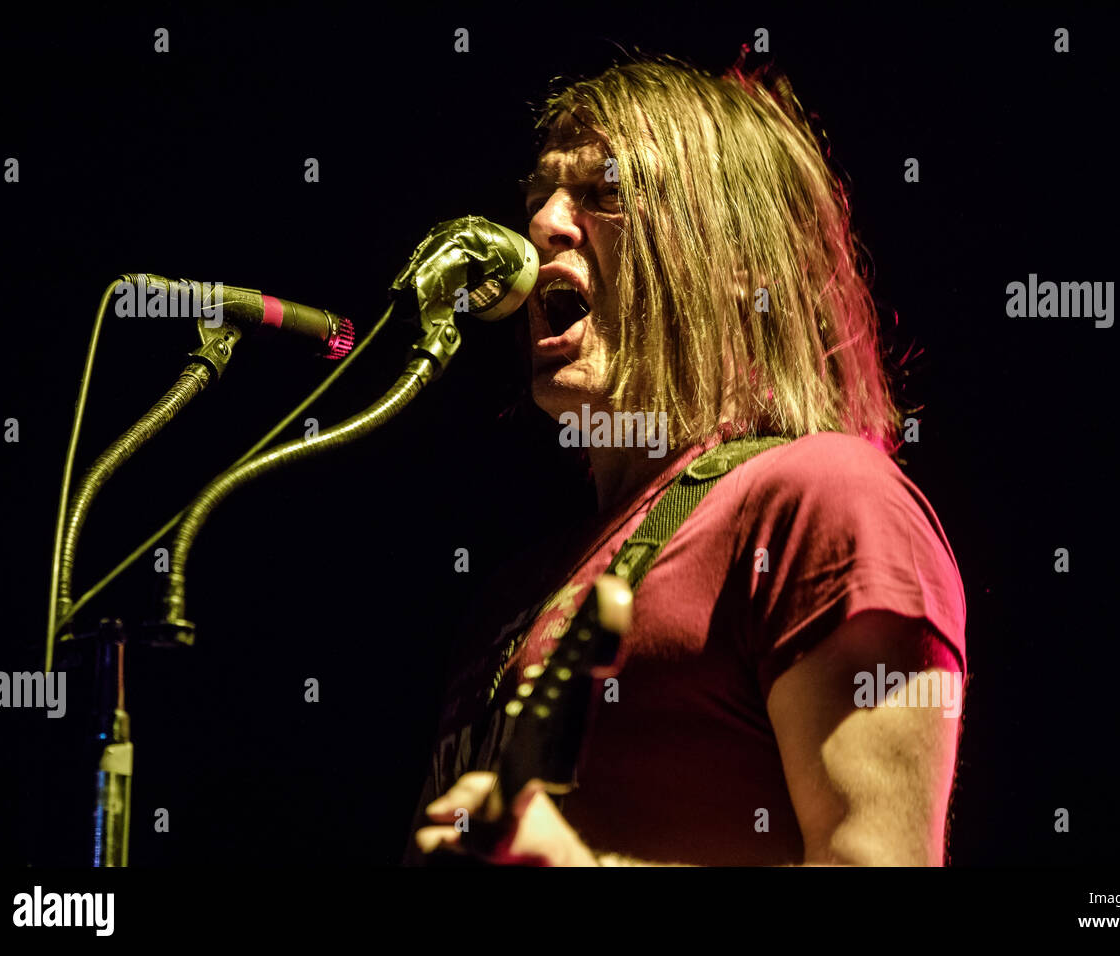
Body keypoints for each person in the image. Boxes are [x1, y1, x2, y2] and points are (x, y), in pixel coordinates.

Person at [404, 54, 967, 866]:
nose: (543, 225)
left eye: (606, 191)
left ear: (743, 265)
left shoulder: (822, 499)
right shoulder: (511, 595)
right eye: (540, 196)